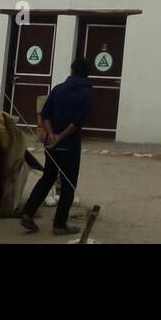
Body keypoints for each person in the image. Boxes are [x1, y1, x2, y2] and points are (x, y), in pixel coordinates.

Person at [20, 57, 94, 234]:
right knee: (68, 184)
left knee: (48, 177)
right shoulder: (86, 93)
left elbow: (45, 114)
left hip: (51, 146)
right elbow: (77, 123)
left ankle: (28, 213)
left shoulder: (58, 89)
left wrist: (51, 135)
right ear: (87, 73)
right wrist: (60, 137)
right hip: (69, 146)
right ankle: (60, 225)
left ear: (72, 70)